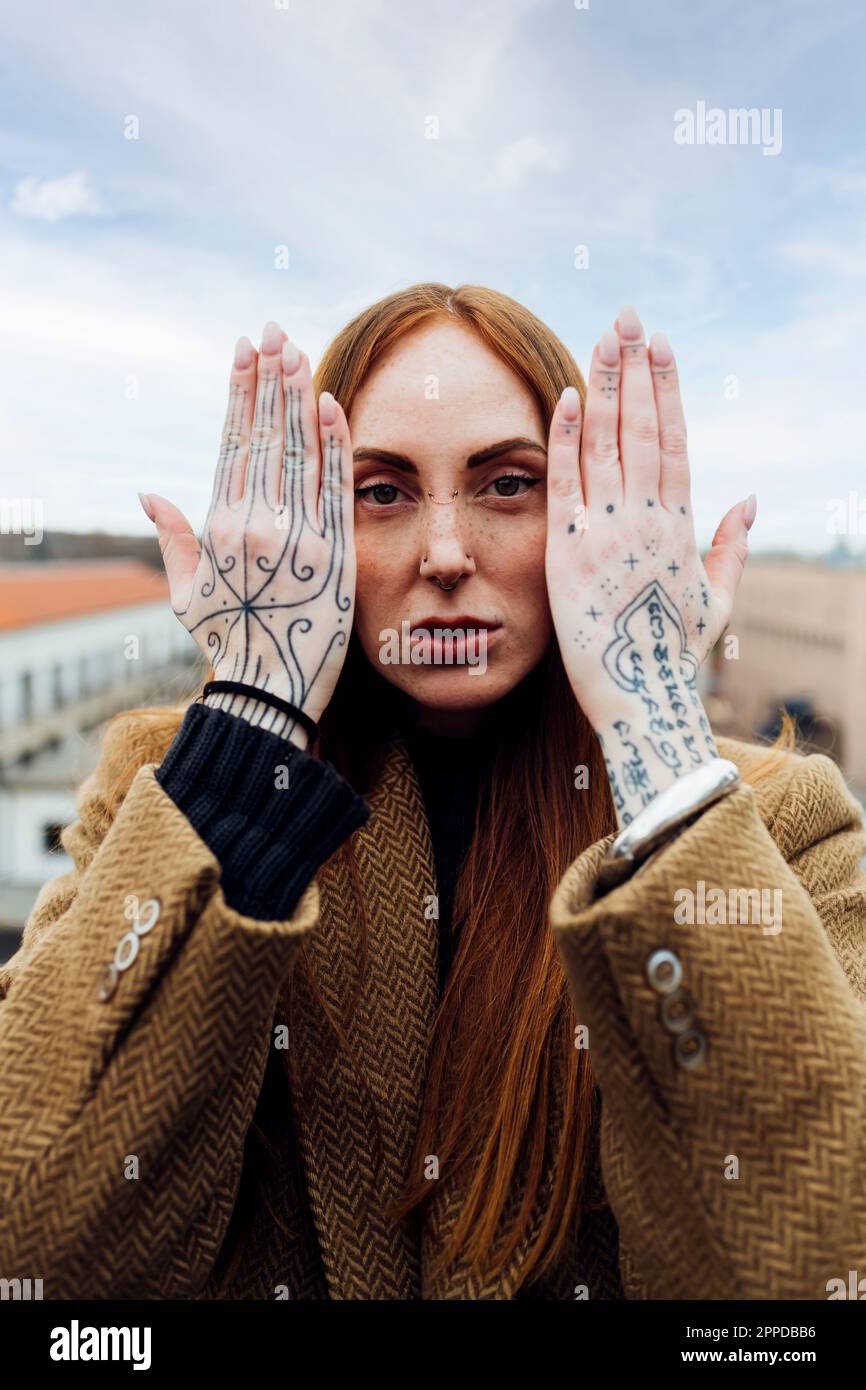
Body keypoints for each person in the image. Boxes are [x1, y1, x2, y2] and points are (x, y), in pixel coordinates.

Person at [2, 284, 865, 1301]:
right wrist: (252, 715)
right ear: (306, 520)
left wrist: (657, 745)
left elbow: (810, 1285)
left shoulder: (775, 822)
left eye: (507, 485)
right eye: (380, 492)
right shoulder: (162, 798)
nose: (446, 555)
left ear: (585, 510)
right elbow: (38, 1255)